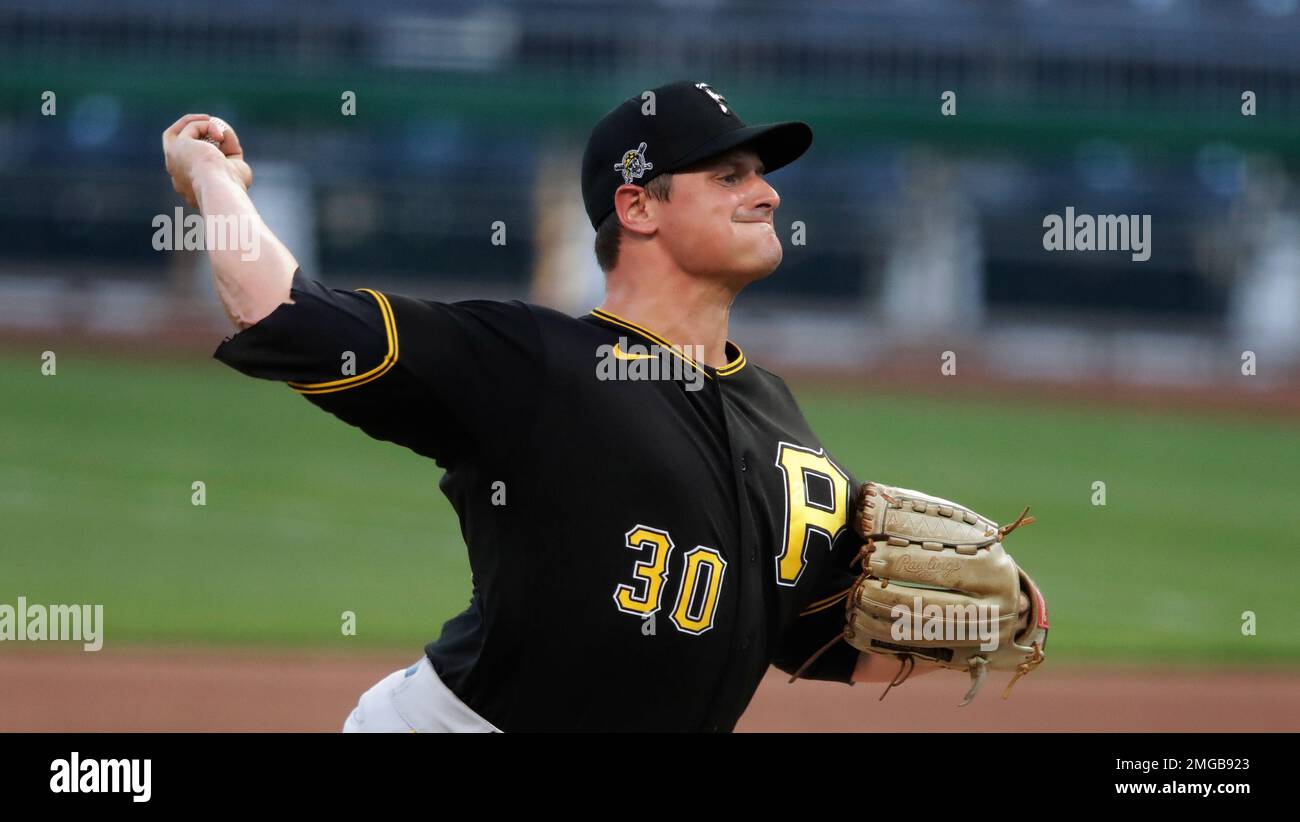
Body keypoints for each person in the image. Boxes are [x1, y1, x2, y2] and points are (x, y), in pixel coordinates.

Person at [162, 81, 1004, 733]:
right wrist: (212, 181)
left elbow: (817, 642)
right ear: (637, 206)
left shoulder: (778, 419)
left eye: (761, 175)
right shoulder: (535, 365)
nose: (767, 193)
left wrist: (987, 612)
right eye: (729, 174)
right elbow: (283, 312)